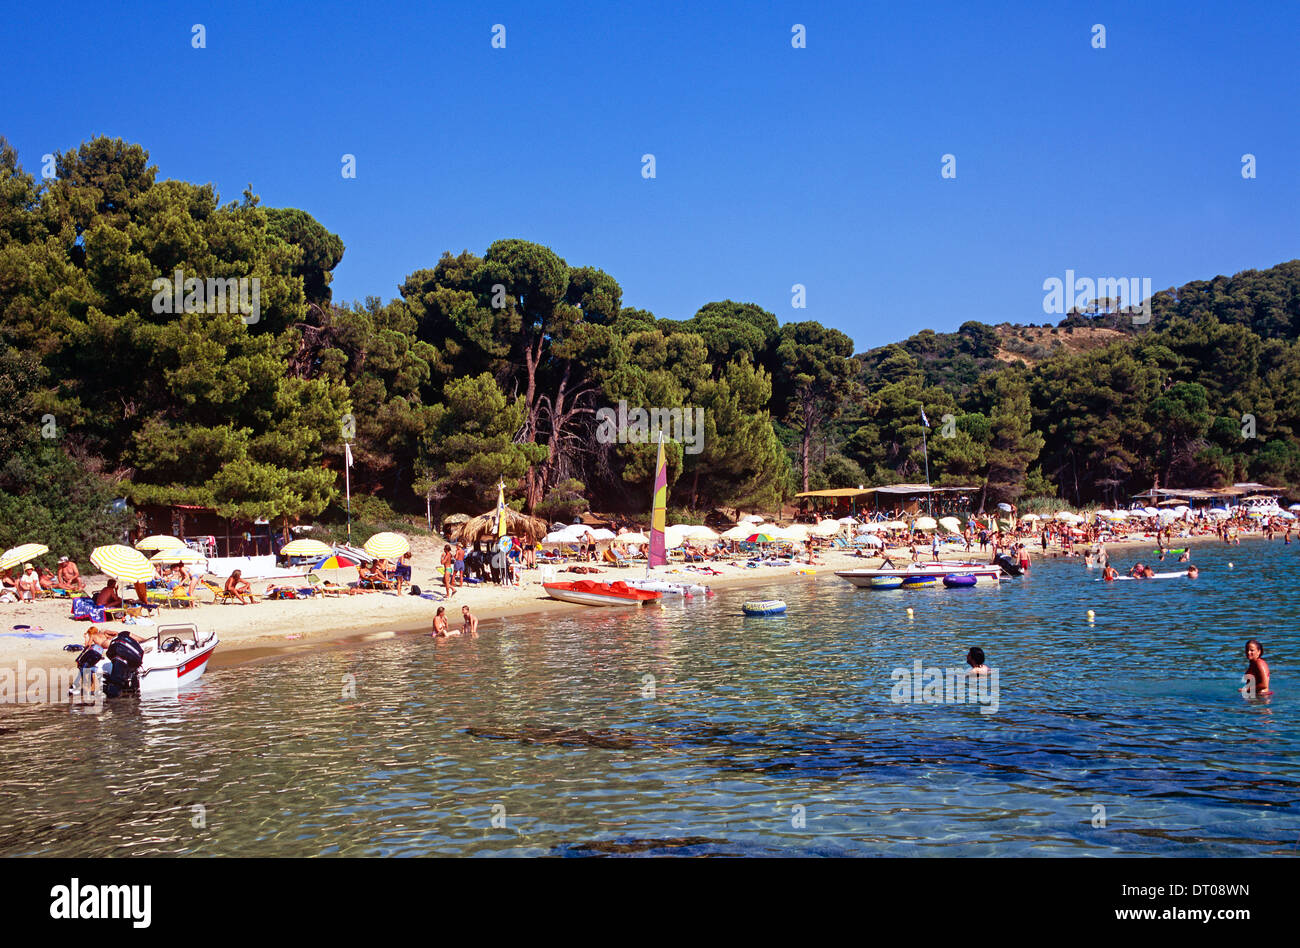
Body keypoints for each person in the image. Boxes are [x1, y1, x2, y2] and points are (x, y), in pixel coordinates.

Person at [70, 625, 113, 697]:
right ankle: (77, 686)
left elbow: (87, 645)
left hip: (99, 659)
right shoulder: (106, 637)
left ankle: (79, 686)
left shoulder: (93, 636)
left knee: (86, 668)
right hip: (107, 659)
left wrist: (86, 638)